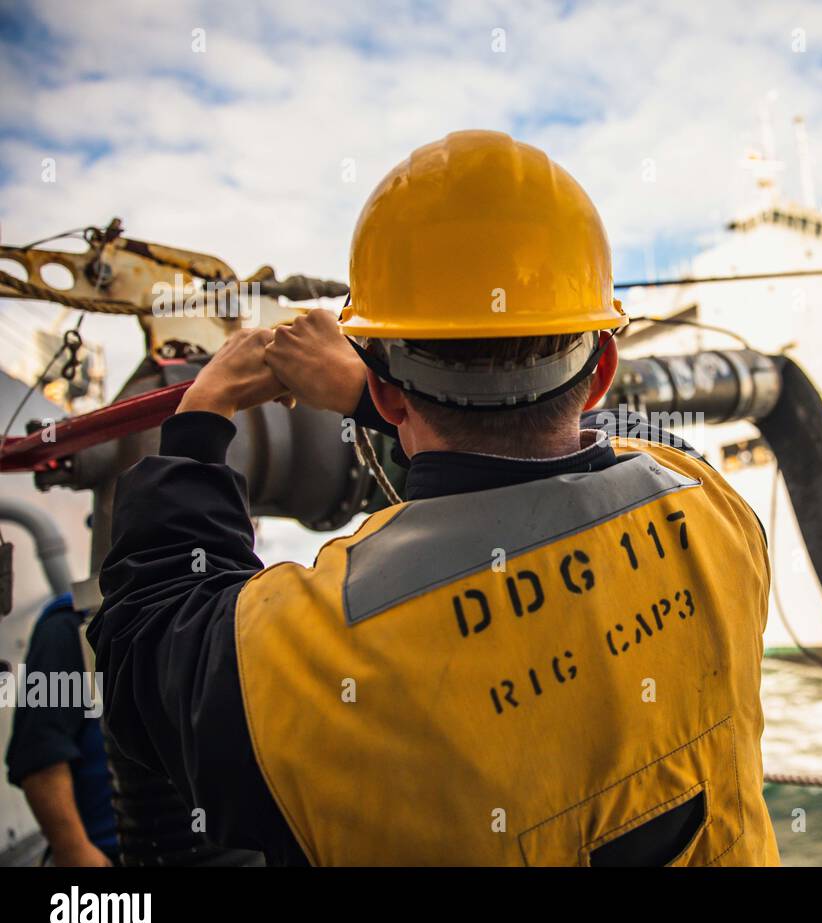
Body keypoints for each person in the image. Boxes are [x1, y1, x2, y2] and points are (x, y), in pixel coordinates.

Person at [89, 130, 779, 866]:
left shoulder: (321, 648)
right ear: (602, 369)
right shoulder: (714, 512)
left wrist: (203, 414)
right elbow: (614, 453)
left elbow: (144, 649)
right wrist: (374, 396)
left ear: (389, 390)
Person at [6, 594, 118, 866]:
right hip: (110, 850)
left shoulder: (196, 607)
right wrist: (73, 848)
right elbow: (41, 755)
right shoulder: (70, 624)